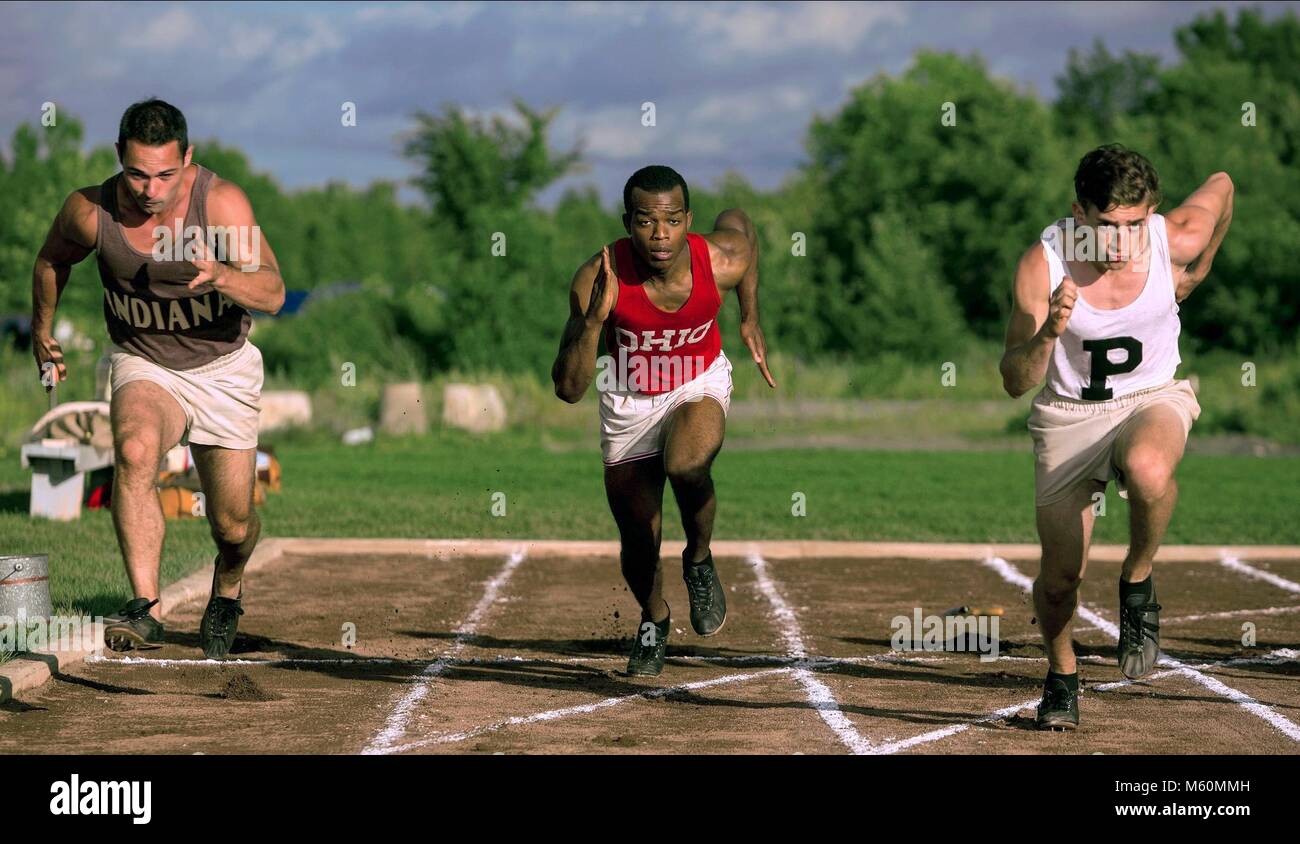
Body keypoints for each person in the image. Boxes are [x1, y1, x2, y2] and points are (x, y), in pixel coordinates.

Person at [31, 98, 285, 658]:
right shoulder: (91, 211)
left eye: (166, 174)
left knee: (233, 525)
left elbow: (273, 291)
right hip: (144, 361)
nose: (151, 189)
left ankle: (229, 584)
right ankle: (145, 607)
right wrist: (41, 332)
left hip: (222, 369)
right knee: (136, 448)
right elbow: (52, 260)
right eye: (138, 173)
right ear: (120, 158)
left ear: (187, 159)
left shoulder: (219, 204)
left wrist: (222, 274)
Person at [1000, 144, 1234, 729]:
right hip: (1068, 416)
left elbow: (1224, 185)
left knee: (1151, 468)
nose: (1123, 242)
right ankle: (1061, 676)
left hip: (1151, 397)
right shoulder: (1042, 265)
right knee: (1060, 579)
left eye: (1135, 224)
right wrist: (1049, 333)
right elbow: (1013, 380)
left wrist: (1200, 270)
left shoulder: (1172, 238)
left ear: (1151, 212)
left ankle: (1136, 579)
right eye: (1107, 227)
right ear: (1078, 214)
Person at [551, 165, 775, 677]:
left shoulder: (721, 260)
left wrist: (749, 314)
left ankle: (698, 558)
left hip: (696, 380)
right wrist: (594, 322)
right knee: (638, 536)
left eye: (672, 220)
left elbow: (741, 223)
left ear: (687, 220)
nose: (660, 235)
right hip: (627, 397)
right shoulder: (595, 277)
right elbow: (568, 389)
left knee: (687, 465)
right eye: (647, 221)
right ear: (628, 222)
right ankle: (654, 617)